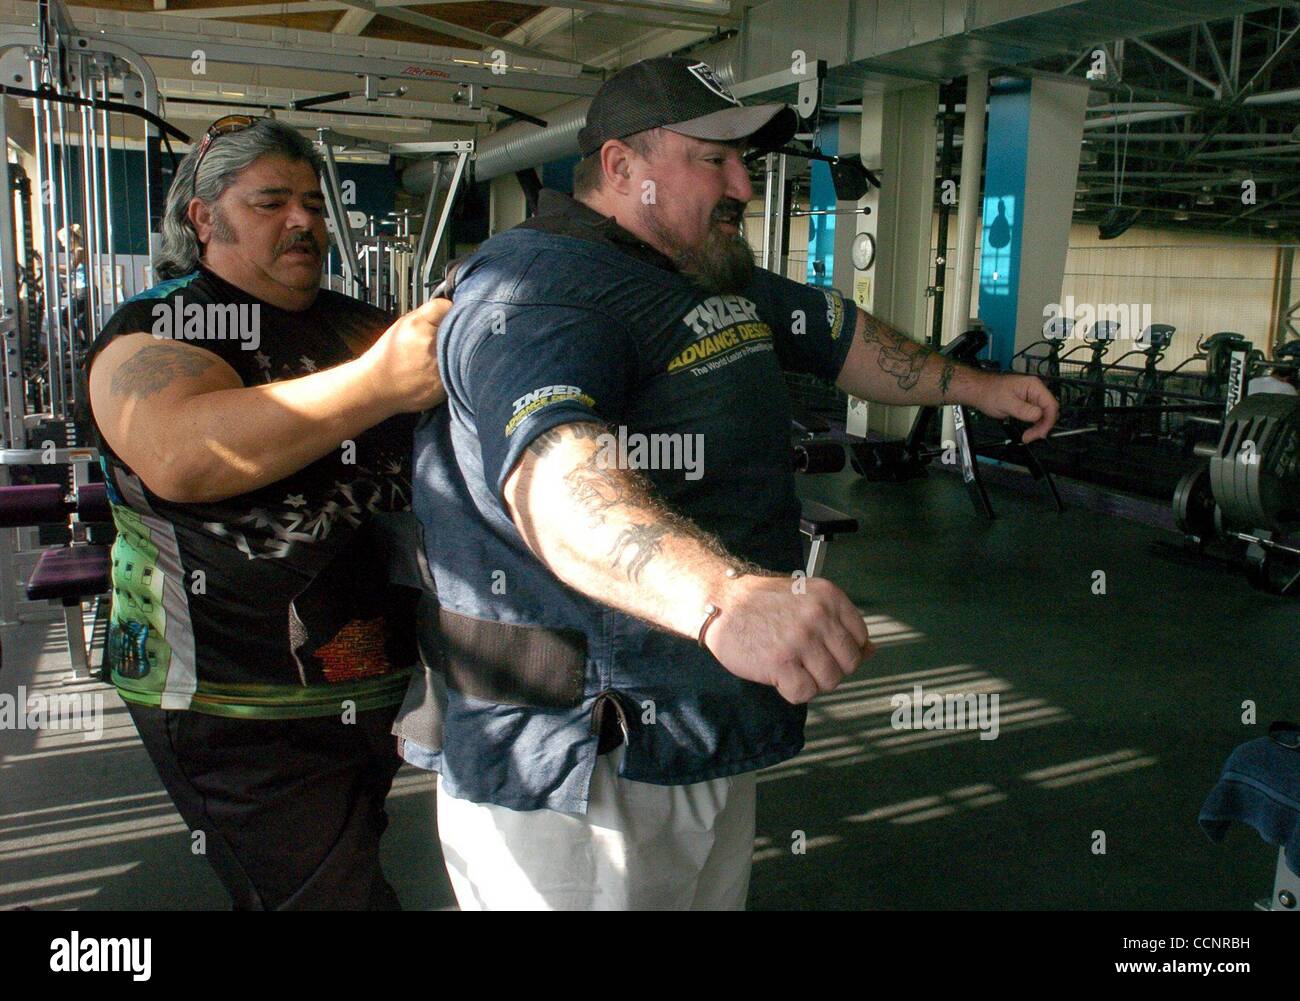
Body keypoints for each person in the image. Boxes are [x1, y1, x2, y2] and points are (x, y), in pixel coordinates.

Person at [399, 56, 1060, 910]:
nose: (744, 183)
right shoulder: (539, 290)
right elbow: (556, 478)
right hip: (582, 758)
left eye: (742, 159)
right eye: (713, 159)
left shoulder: (695, 268)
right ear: (619, 167)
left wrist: (980, 388)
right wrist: (725, 598)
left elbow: (836, 334)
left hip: (695, 713)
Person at [84, 116, 448, 909]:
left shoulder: (355, 322)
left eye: (315, 204)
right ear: (204, 218)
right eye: (272, 202)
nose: (304, 222)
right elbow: (181, 454)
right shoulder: (164, 324)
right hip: (229, 698)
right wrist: (377, 382)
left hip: (365, 677)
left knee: (346, 857)